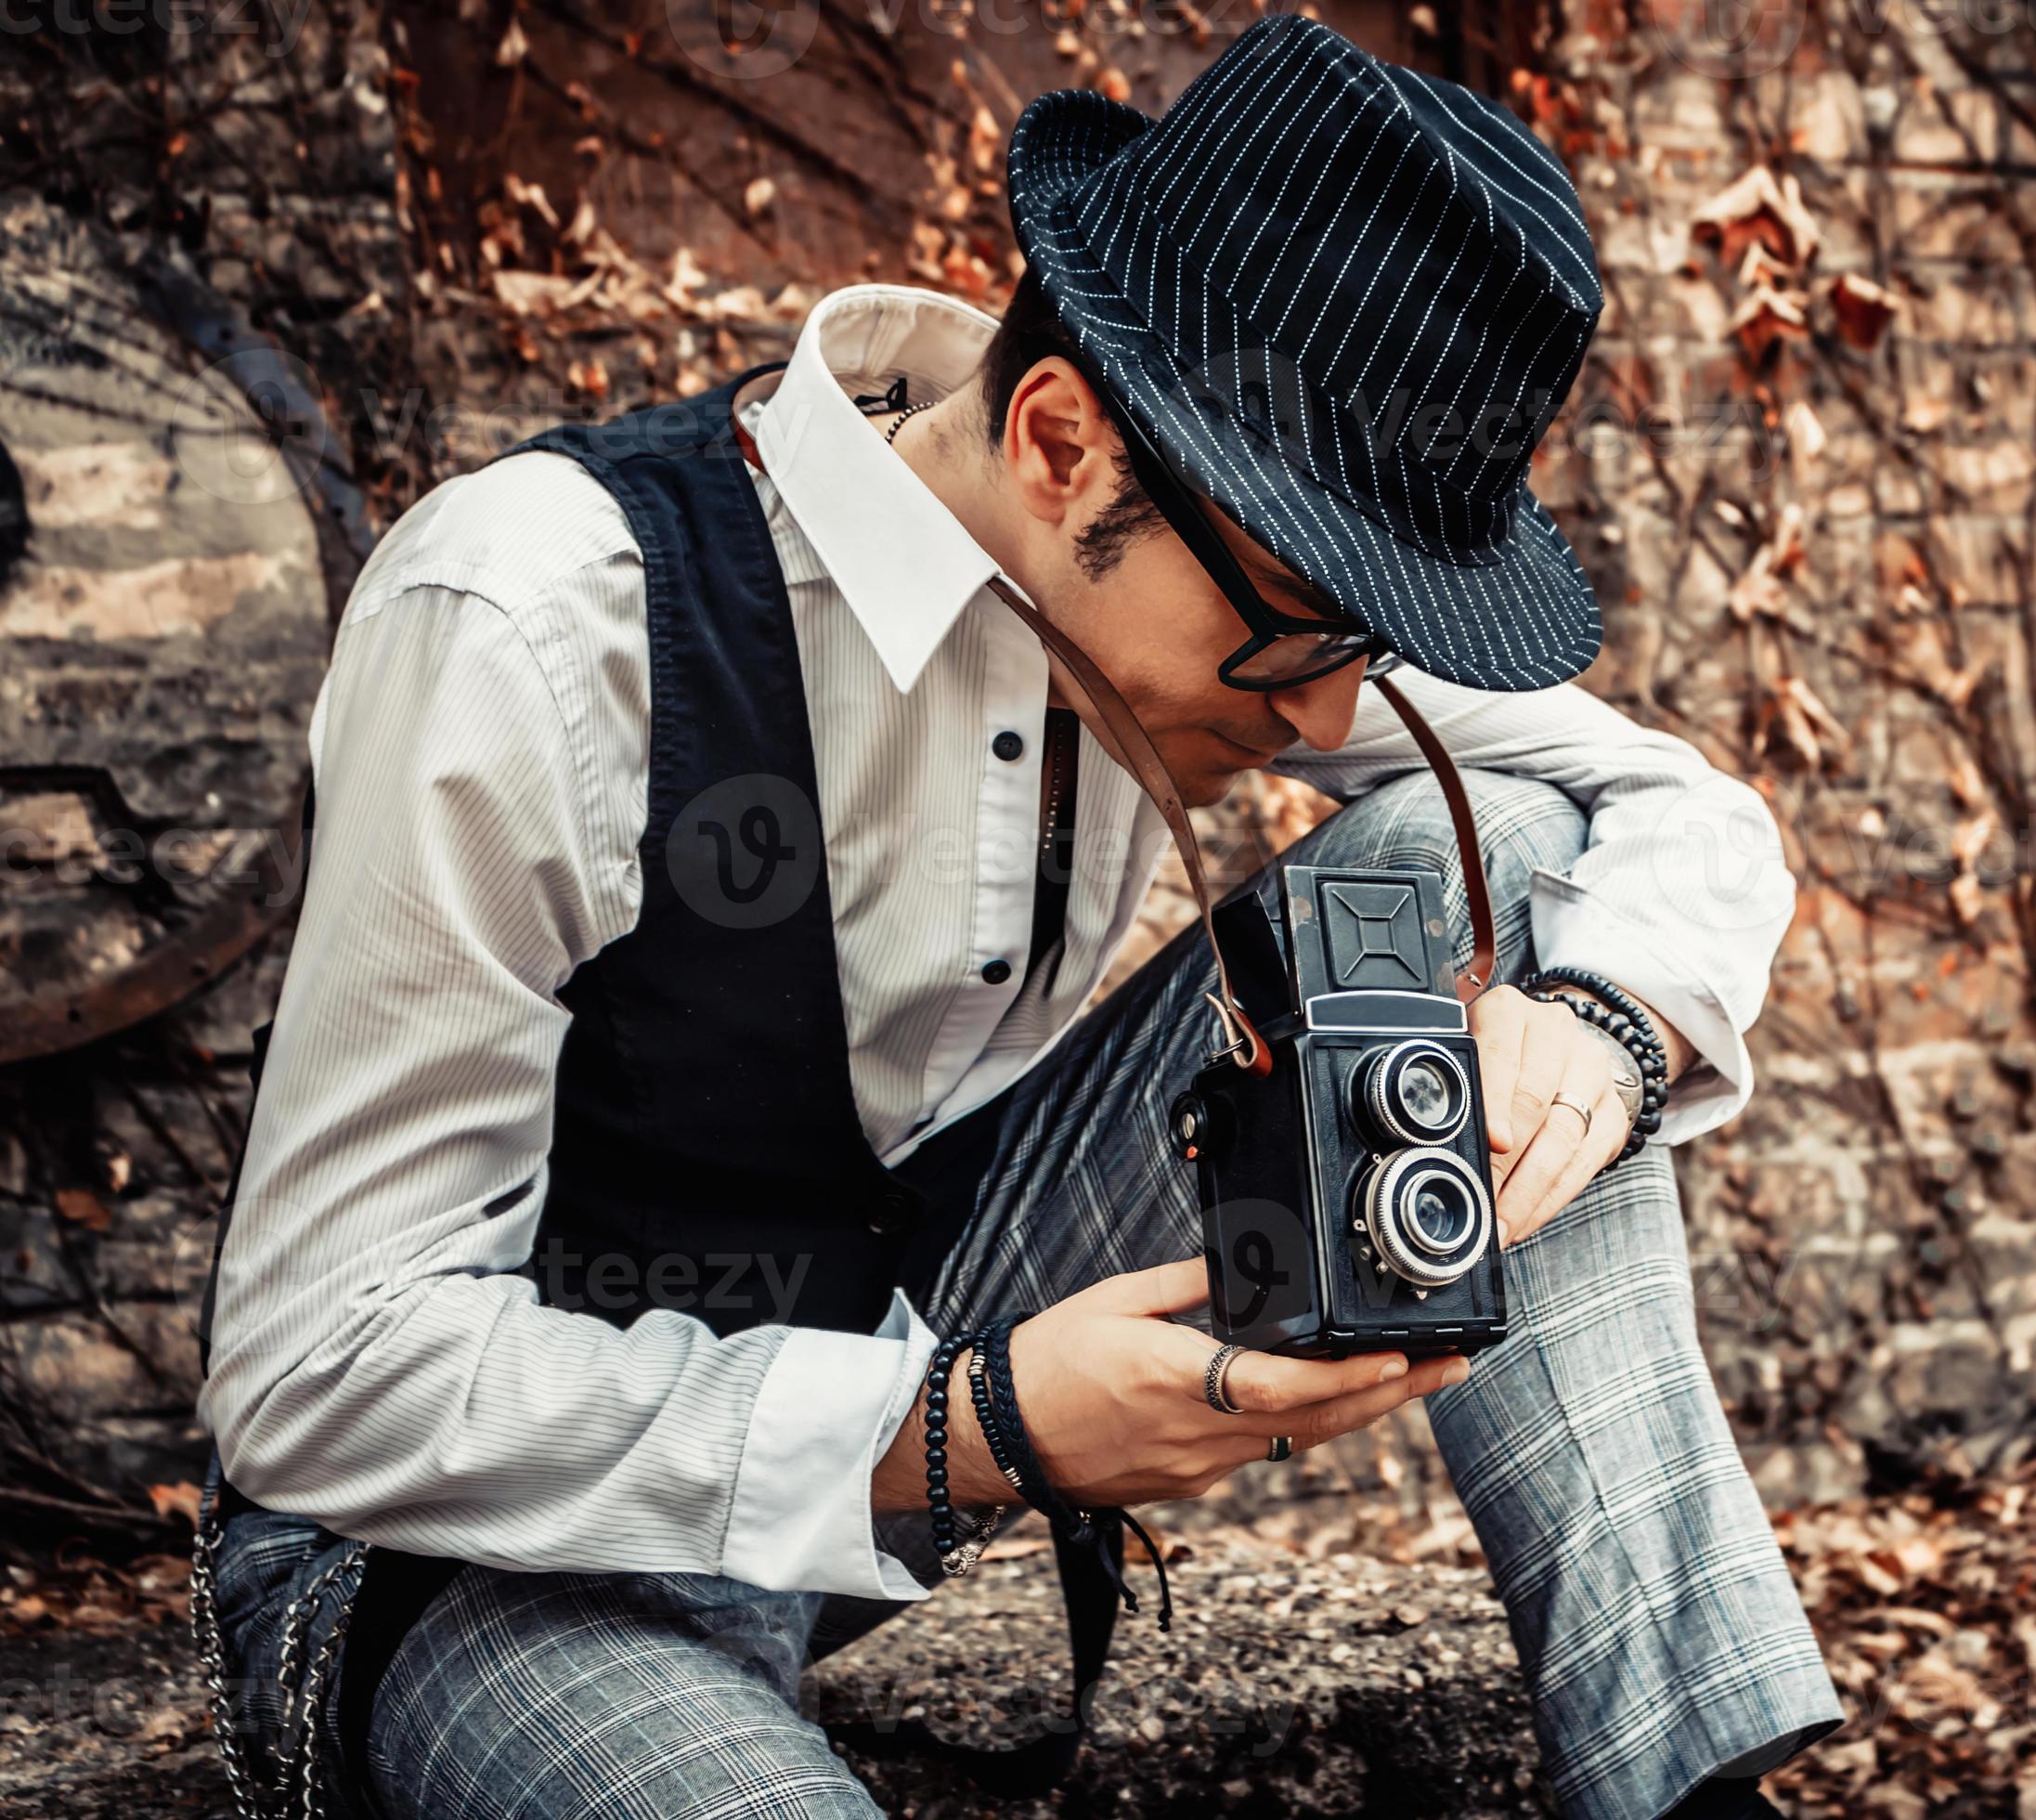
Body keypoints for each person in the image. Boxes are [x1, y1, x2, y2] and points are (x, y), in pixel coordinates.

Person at [195, 17, 1842, 1820]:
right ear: (1062, 445)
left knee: (1518, 852)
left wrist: (1591, 1047)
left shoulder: (1182, 580)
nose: (1317, 720)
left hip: (911, 1341)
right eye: (1301, 637)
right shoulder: (536, 616)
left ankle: (1689, 1787)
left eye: (1366, 652)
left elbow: (1675, 805)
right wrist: (977, 1424)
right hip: (473, 1549)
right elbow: (316, 1371)